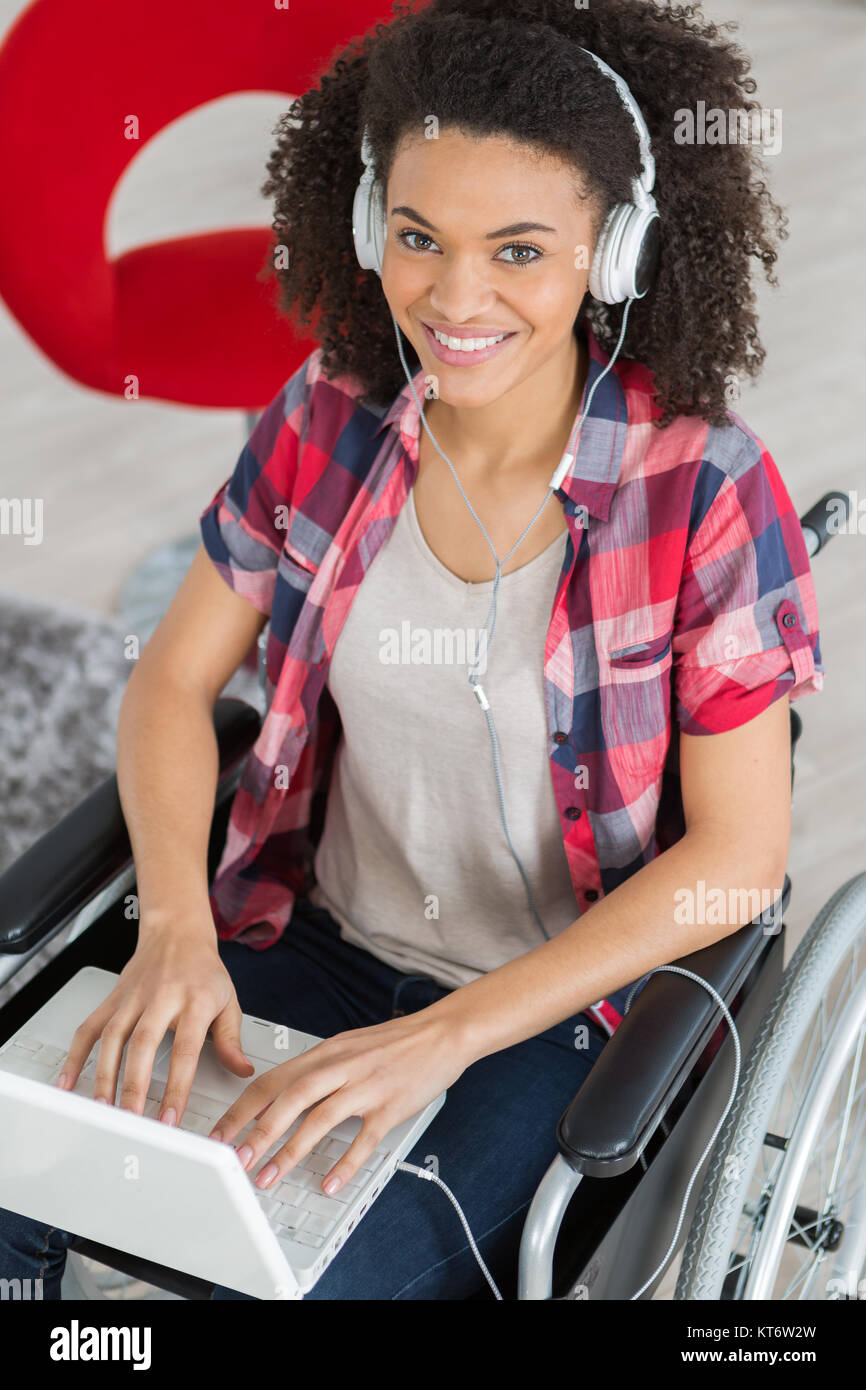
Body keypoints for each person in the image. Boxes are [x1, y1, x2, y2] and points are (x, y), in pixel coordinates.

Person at [0, 0, 823, 1301]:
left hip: (541, 1020)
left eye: (518, 250)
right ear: (364, 216)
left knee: (316, 1278)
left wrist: (443, 1037)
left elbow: (738, 860)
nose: (454, 296)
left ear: (610, 256)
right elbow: (169, 680)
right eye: (418, 236)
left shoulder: (704, 490)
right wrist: (170, 931)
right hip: (311, 932)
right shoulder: (324, 417)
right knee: (16, 1164)